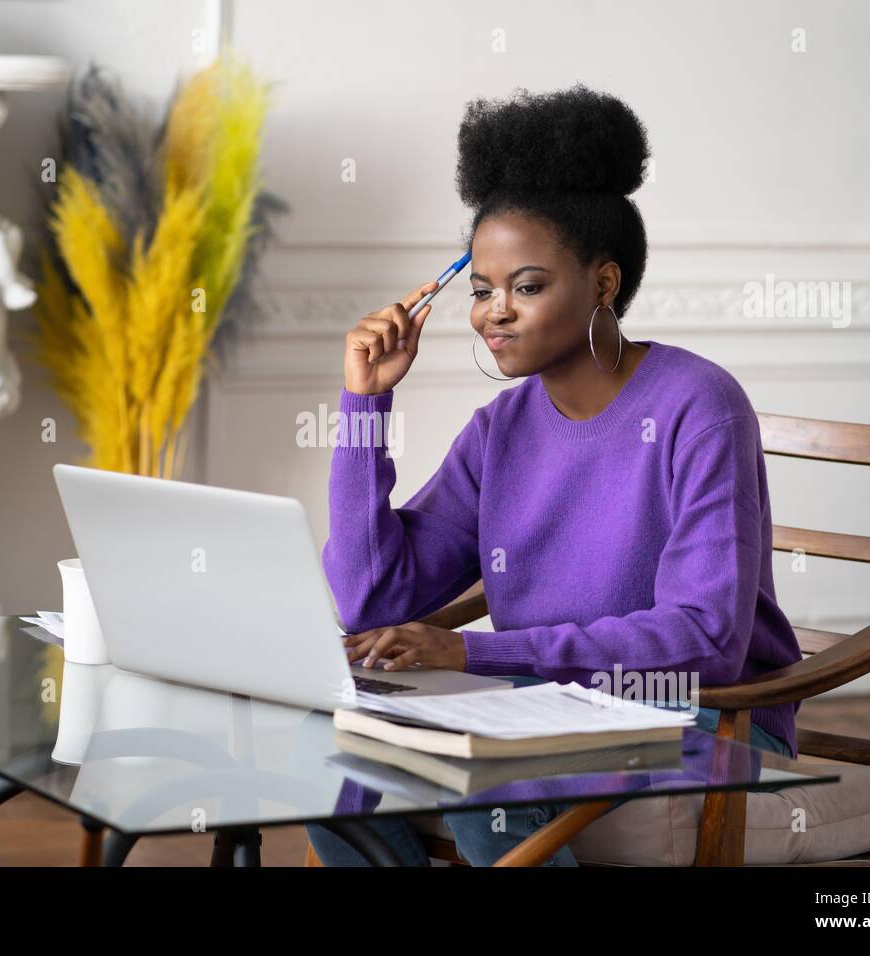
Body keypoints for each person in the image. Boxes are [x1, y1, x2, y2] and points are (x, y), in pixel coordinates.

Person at [307, 85, 802, 867]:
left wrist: (473, 656)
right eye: (481, 289)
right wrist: (366, 404)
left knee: (481, 773)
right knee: (322, 749)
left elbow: (704, 638)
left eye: (526, 286)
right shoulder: (501, 430)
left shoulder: (699, 406)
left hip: (702, 710)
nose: (493, 312)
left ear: (603, 285)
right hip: (545, 705)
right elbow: (373, 597)